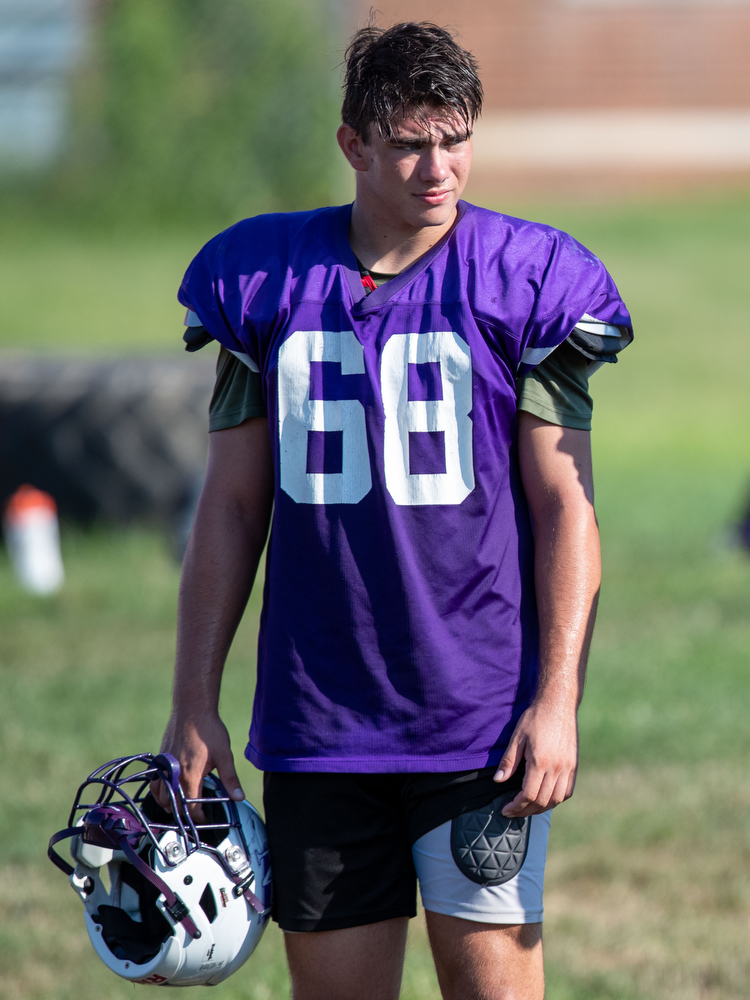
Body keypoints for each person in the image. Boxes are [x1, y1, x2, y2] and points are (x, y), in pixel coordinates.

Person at [155, 21, 632, 1000]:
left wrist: (556, 700)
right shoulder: (263, 280)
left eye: (455, 139)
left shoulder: (528, 279)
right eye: (412, 142)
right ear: (353, 145)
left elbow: (566, 508)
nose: (437, 166)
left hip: (479, 718)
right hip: (319, 717)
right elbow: (232, 507)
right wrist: (192, 698)